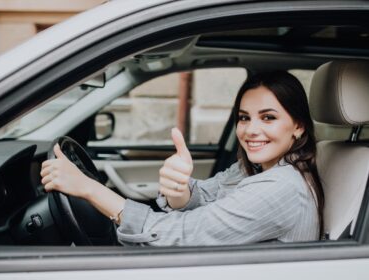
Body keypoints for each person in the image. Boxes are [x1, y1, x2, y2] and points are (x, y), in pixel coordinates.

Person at [41, 71, 324, 246]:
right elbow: (205, 194)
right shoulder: (254, 169)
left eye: (268, 118)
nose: (251, 130)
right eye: (243, 118)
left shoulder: (280, 188)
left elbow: (180, 235)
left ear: (298, 125)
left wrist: (89, 189)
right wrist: (180, 190)